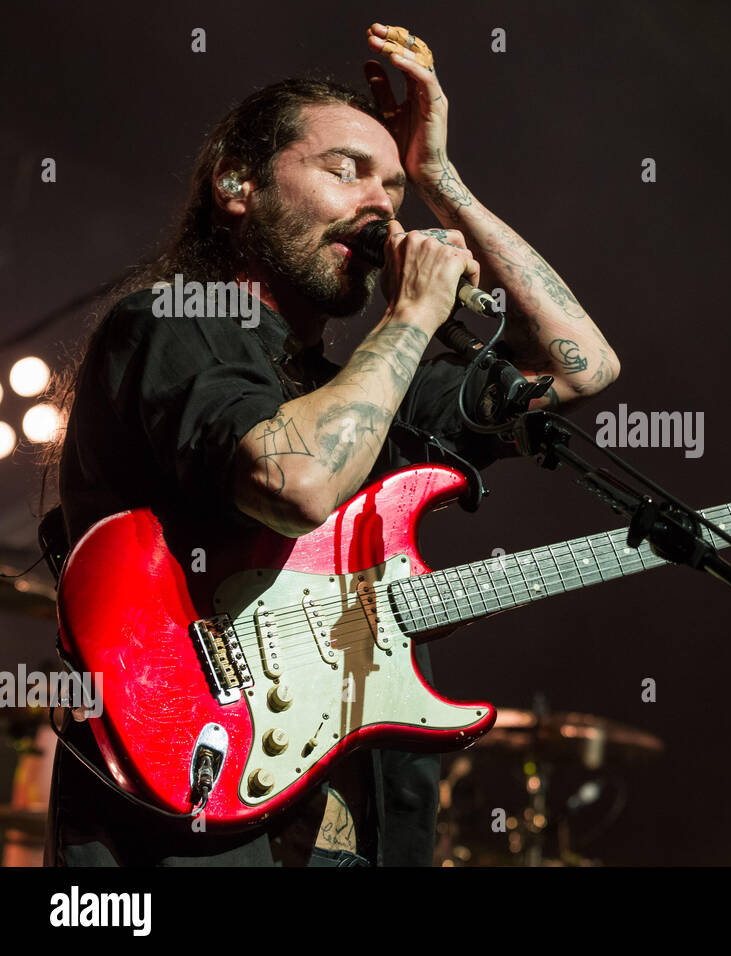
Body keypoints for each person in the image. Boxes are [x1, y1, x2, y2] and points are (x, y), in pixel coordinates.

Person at [45, 23, 619, 866]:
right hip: (187, 817)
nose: (381, 205)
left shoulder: (369, 387)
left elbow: (583, 364)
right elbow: (298, 483)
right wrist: (416, 315)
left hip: (356, 826)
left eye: (393, 187)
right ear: (236, 186)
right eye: (345, 170)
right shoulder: (173, 320)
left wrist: (442, 178)